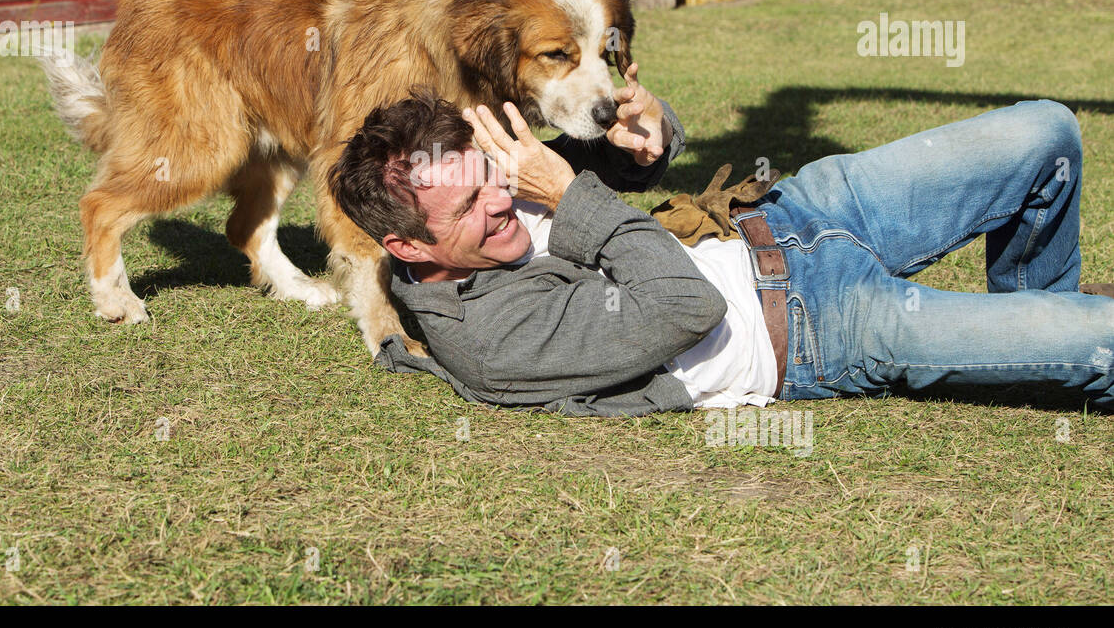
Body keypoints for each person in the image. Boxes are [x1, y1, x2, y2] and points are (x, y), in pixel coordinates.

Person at [329, 69, 1114, 416]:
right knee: (1104, 339)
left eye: (494, 175)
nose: (502, 199)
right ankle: (1051, 344)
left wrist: (645, 134)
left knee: (1049, 131)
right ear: (408, 249)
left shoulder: (480, 214)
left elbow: (615, 178)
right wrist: (567, 193)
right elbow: (682, 303)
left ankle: (1032, 337)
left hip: (799, 213)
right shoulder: (495, 339)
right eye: (471, 205)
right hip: (817, 331)